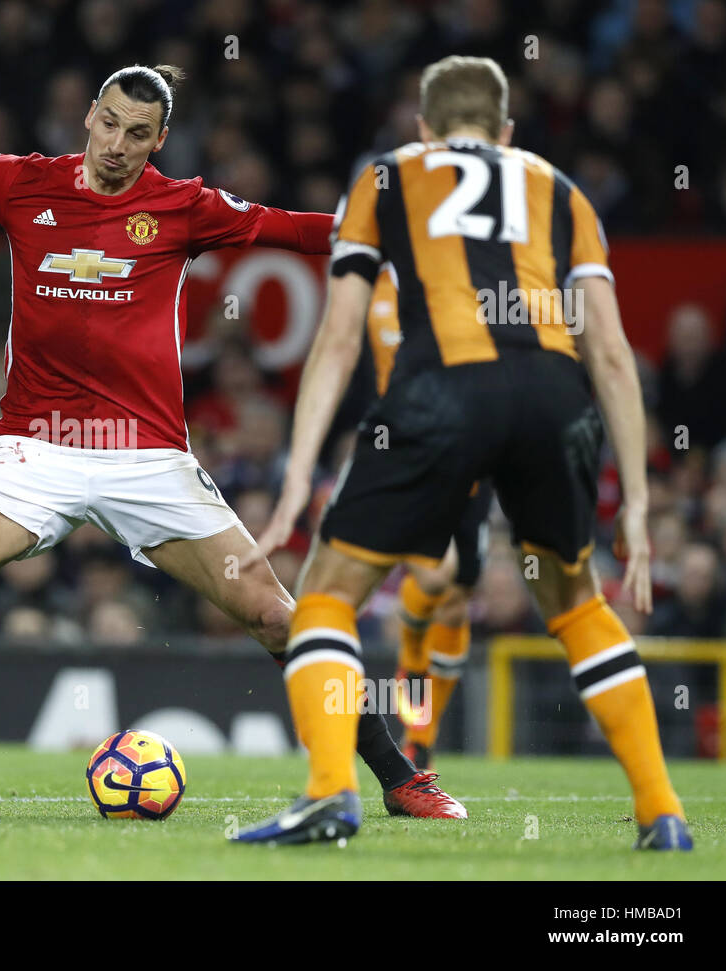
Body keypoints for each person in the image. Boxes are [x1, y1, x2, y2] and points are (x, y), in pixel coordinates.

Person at [0, 64, 464, 819]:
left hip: (147, 457)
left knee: (277, 615)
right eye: (108, 123)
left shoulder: (186, 207)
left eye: (137, 133)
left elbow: (297, 229)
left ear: (160, 139)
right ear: (88, 115)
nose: (117, 144)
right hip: (34, 449)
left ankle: (402, 777)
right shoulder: (20, 183)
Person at [238, 55, 690, 850]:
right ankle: (663, 814)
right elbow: (613, 352)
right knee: (577, 603)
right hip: (555, 399)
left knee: (327, 596)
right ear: (508, 130)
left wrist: (297, 473)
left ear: (422, 129)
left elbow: (338, 337)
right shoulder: (563, 189)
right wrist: (641, 506)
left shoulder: (387, 176)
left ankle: (331, 794)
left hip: (440, 399)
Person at [367, 265, 489, 769]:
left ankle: (421, 737)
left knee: (457, 600)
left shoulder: (469, 276)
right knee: (436, 574)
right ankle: (412, 652)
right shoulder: (380, 287)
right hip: (411, 449)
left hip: (476, 449)